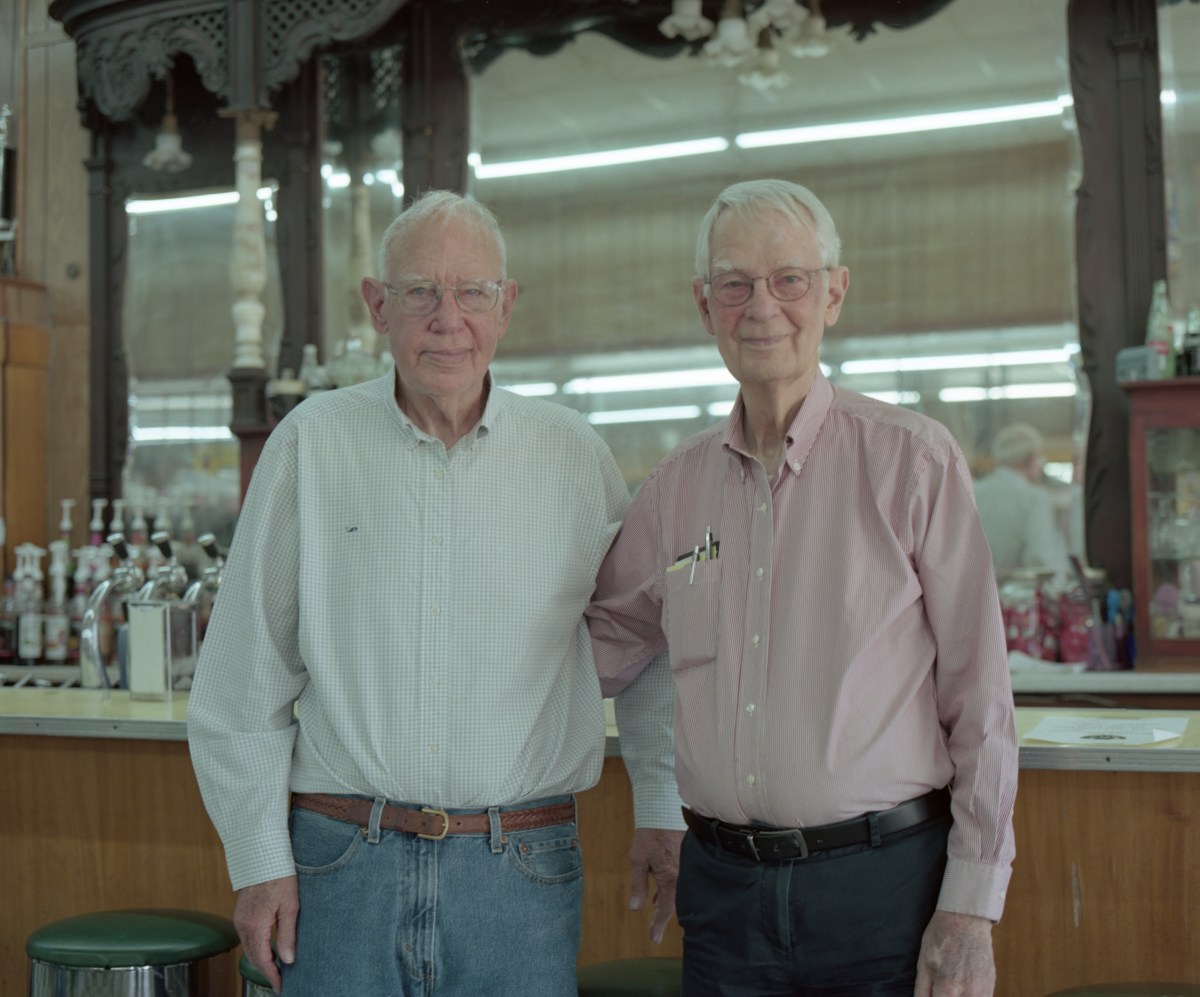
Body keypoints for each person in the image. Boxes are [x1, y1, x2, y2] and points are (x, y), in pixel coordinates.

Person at [188, 190, 682, 996]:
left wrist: (661, 798)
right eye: (420, 292)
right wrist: (257, 859)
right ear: (378, 306)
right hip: (341, 863)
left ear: (507, 306)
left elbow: (648, 644)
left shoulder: (574, 459)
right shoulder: (311, 445)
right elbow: (243, 678)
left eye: (472, 292)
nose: (446, 317)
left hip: (518, 869)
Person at [587, 179, 1018, 996]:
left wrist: (970, 905)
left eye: (789, 278)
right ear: (703, 303)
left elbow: (981, 700)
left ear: (834, 292)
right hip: (723, 892)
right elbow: (597, 650)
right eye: (734, 283)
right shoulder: (673, 490)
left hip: (883, 888)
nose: (762, 307)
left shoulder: (913, 461)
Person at [972, 422, 1073, 583]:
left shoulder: (974, 492)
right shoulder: (1033, 498)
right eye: (1040, 457)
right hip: (1018, 599)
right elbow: (1040, 560)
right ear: (1030, 459)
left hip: (978, 592)